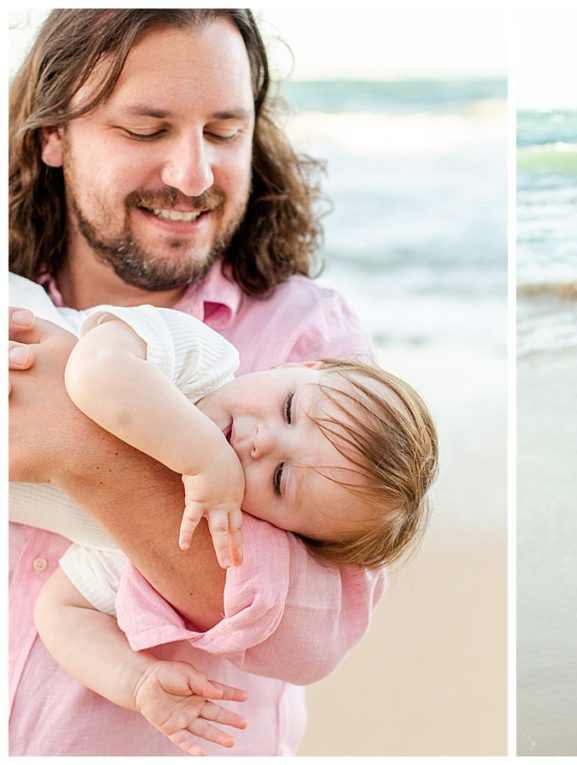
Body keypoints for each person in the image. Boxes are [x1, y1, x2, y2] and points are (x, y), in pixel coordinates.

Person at [8, 10, 392, 755]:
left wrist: (77, 451)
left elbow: (314, 629)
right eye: (147, 130)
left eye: (223, 132)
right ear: (52, 135)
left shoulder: (310, 348)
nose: (193, 175)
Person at [9, 273, 437, 754]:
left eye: (279, 479)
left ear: (282, 533)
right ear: (302, 365)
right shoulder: (199, 359)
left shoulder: (157, 538)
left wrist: (136, 681)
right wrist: (203, 457)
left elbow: (63, 611)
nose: (263, 440)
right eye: (290, 407)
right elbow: (95, 368)